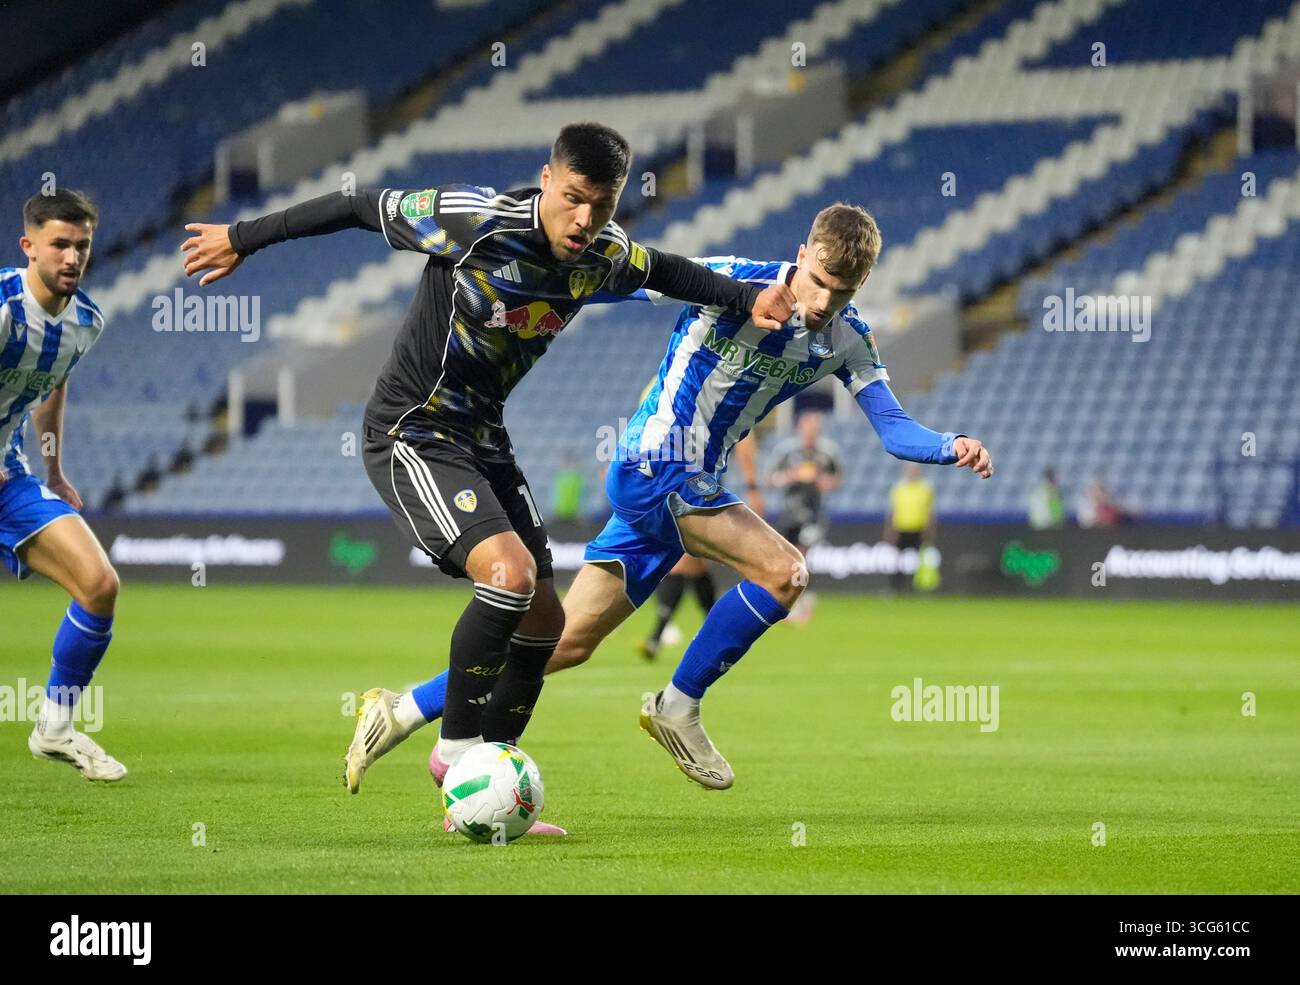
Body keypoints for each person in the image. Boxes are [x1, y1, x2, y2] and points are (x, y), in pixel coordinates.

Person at [180, 122, 795, 832]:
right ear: (546, 179)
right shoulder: (471, 220)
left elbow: (667, 270)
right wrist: (242, 237)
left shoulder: (605, 252)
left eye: (601, 204)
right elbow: (355, 207)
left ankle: (490, 796)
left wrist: (744, 298)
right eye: (572, 199)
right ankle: (457, 758)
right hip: (412, 428)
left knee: (545, 618)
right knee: (505, 576)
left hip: (483, 437)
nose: (585, 219)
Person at [412, 202, 993, 799]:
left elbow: (895, 430)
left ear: (861, 283)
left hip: (692, 487)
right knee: (784, 571)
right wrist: (527, 286)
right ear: (802, 255)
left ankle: (401, 709)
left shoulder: (849, 339)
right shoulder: (734, 282)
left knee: (564, 644)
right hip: (655, 466)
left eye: (839, 291)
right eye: (817, 281)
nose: (822, 302)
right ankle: (677, 706)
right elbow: (620, 280)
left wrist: (953, 446)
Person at [1, 189, 124, 781]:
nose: (72, 258)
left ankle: (54, 726)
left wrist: (53, 468)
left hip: (8, 476)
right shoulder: (2, 305)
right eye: (59, 245)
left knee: (99, 584)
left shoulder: (86, 322)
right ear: (28, 247)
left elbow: (52, 386)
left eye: (82, 246)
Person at [769, 410, 841, 621]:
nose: (810, 433)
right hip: (789, 510)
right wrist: (792, 476)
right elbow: (771, 477)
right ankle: (793, 598)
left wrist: (823, 482)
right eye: (807, 428)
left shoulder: (827, 452)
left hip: (813, 511)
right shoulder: (787, 452)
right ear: (800, 429)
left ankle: (800, 600)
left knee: (801, 556)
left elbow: (836, 480)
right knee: (788, 557)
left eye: (814, 429)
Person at [884, 463, 935, 593]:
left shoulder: (925, 488)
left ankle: (914, 588)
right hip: (901, 528)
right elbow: (893, 510)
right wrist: (890, 530)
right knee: (897, 561)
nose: (912, 473)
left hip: (918, 528)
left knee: (917, 561)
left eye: (914, 471)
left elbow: (930, 512)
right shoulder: (899, 488)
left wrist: (929, 529)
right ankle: (896, 588)